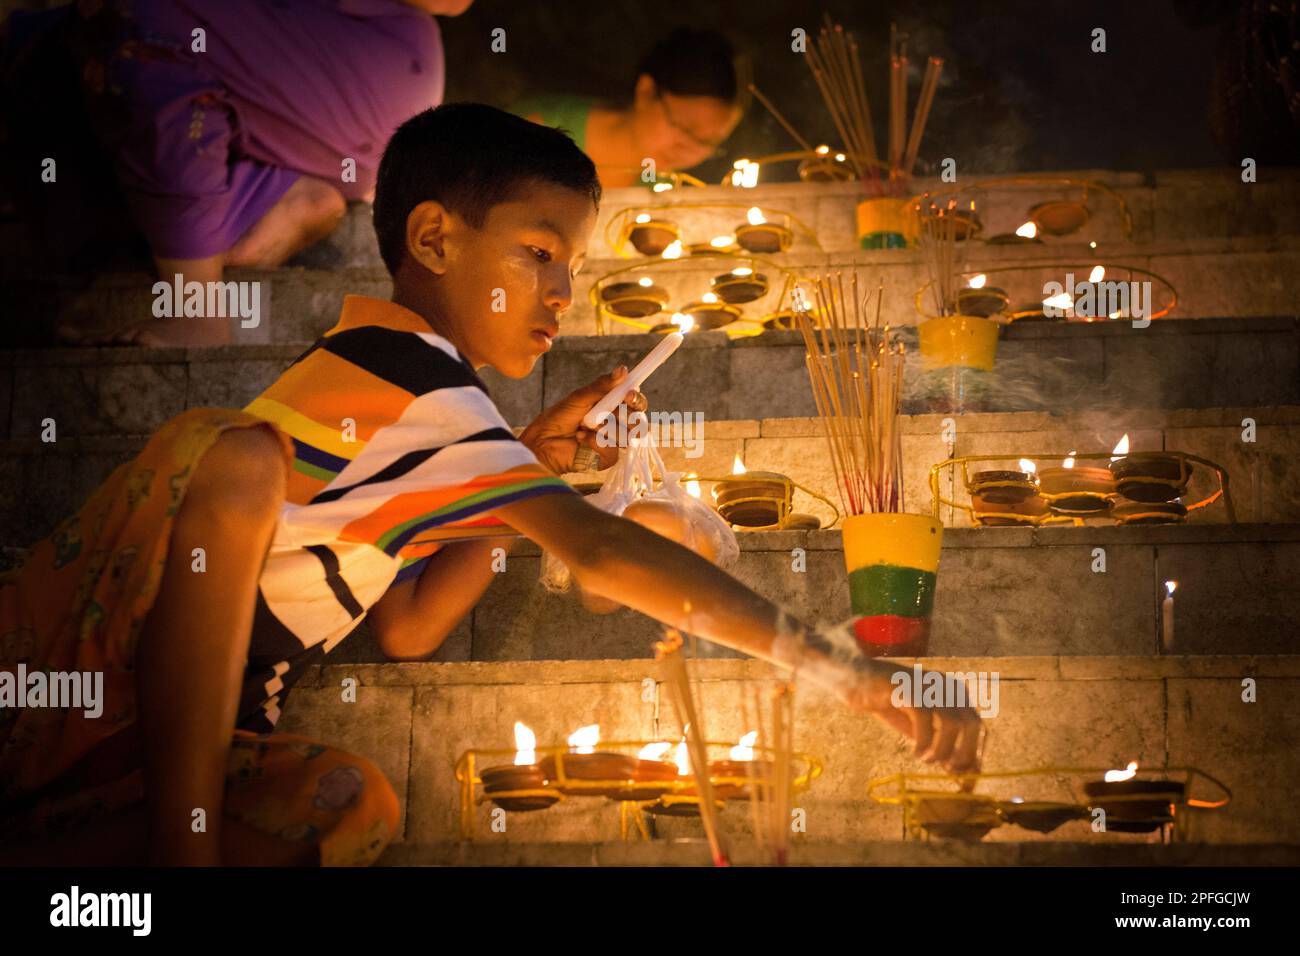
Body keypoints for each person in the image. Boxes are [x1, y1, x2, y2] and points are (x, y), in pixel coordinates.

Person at [0, 104, 981, 867]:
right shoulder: (405, 379)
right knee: (233, 459)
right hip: (63, 686)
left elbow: (412, 626)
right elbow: (600, 547)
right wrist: (848, 670)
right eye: (539, 254)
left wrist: (520, 472)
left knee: (353, 804)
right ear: (431, 240)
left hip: (131, 752)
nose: (562, 294)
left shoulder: (413, 408)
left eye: (575, 266)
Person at [0, 0, 473, 348]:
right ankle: (261, 204)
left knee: (140, 26)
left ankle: (199, 309)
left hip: (362, 68)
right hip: (316, 117)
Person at [513, 27, 744, 188]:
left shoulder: (659, 182)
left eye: (709, 142)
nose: (690, 151)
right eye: (685, 128)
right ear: (646, 91)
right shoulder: (537, 134)